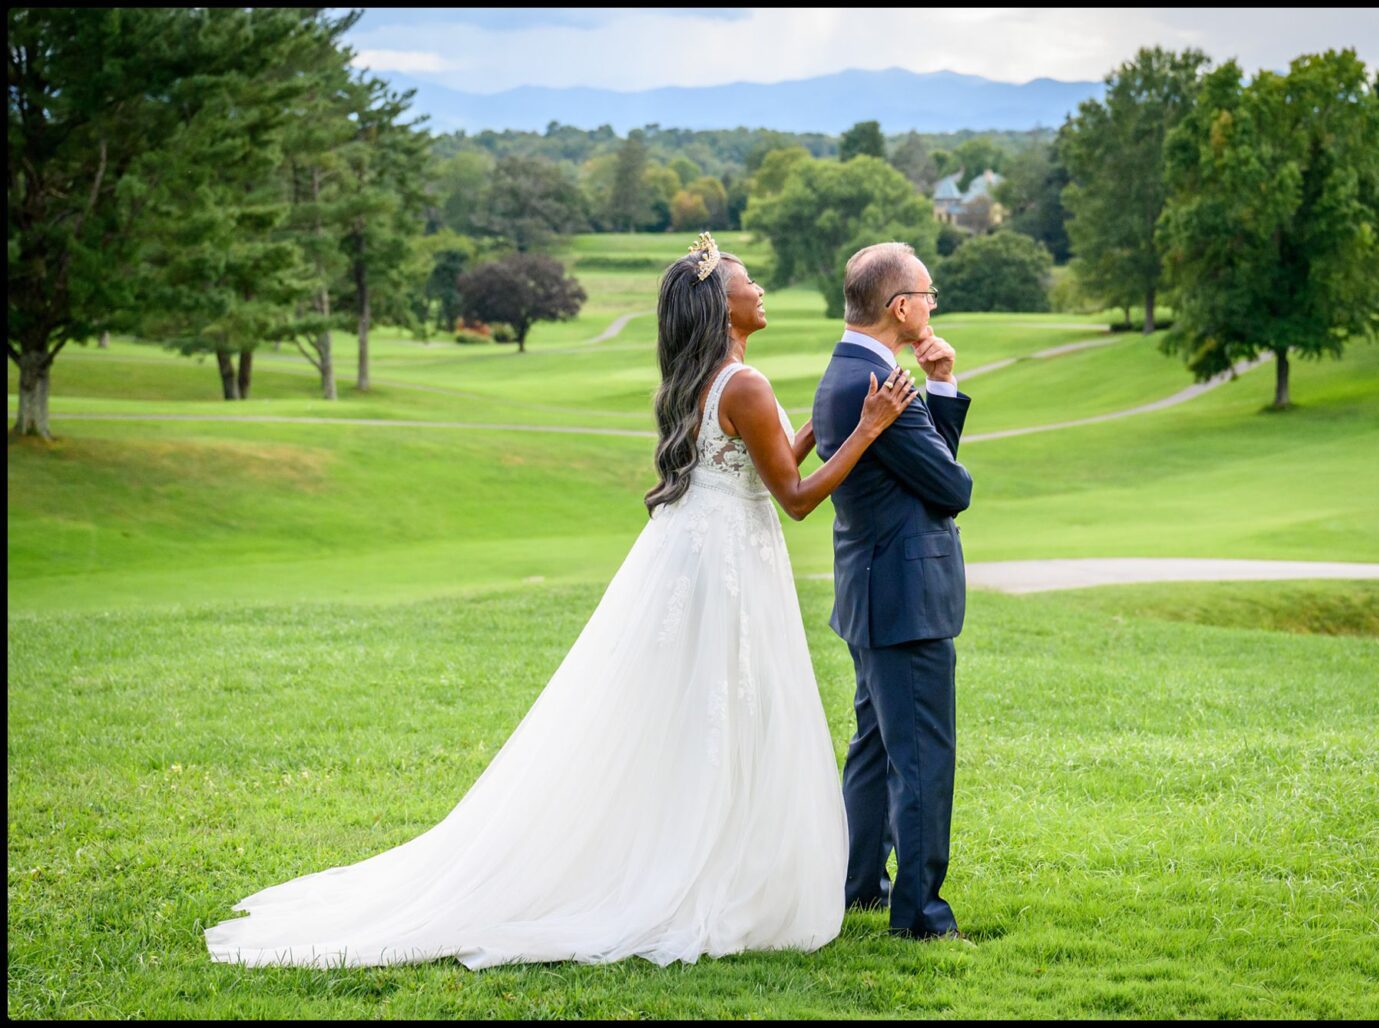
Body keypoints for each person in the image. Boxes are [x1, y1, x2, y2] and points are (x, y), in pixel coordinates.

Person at [203, 232, 919, 970]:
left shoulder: (711, 379)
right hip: (727, 561)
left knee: (696, 713)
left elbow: (763, 464)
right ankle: (703, 868)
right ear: (720, 305)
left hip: (701, 555)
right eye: (747, 281)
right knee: (724, 707)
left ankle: (699, 854)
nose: (759, 289)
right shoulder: (744, 384)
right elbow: (795, 499)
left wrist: (816, 428)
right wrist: (866, 428)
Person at [810, 241, 974, 941]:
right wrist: (929, 396)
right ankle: (920, 916)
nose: (933, 306)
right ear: (901, 306)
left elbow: (923, 470)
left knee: (877, 750)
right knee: (920, 759)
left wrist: (938, 385)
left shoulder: (849, 372)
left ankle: (859, 885)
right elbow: (950, 487)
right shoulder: (878, 388)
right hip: (904, 599)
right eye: (928, 295)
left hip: (875, 591)